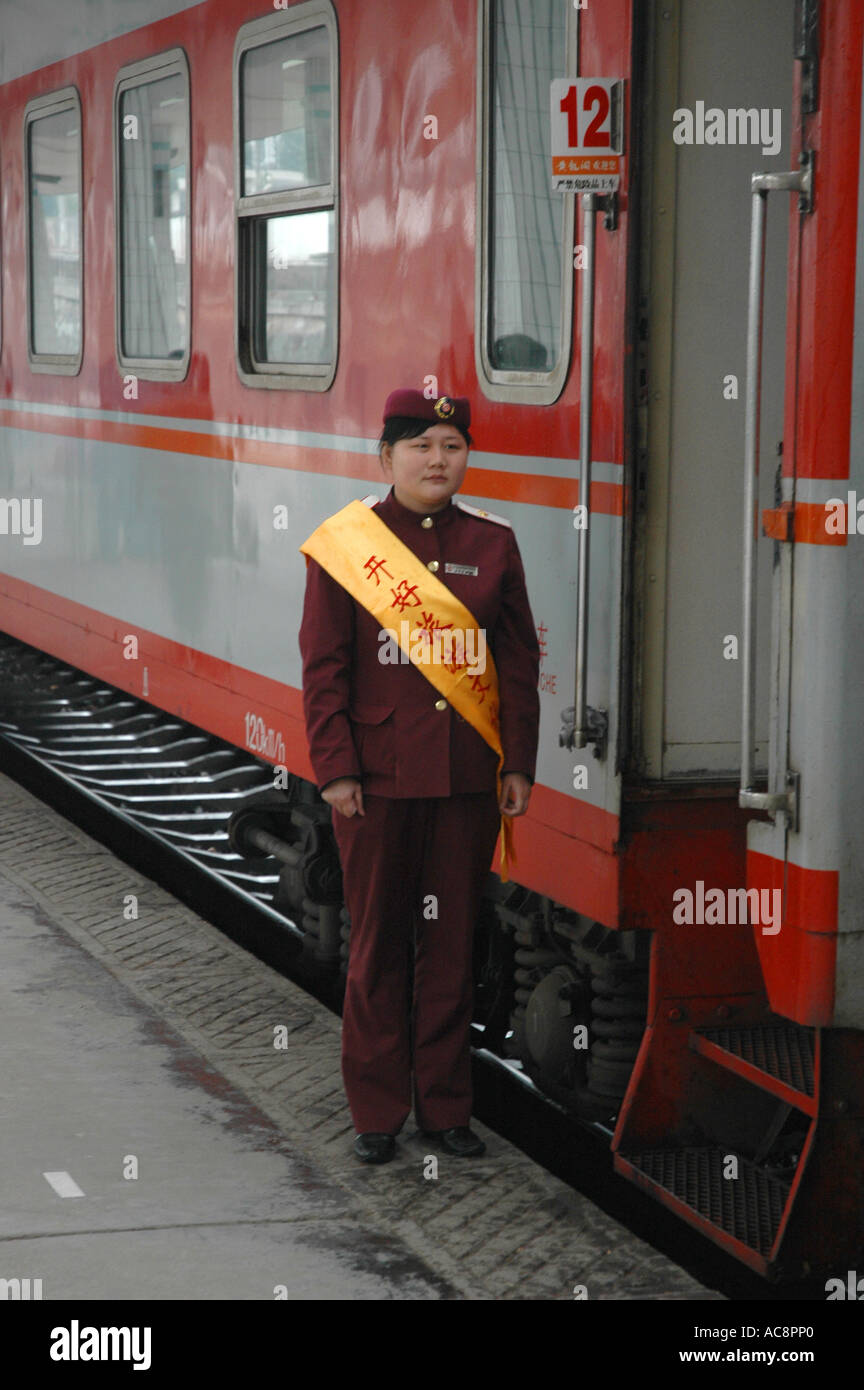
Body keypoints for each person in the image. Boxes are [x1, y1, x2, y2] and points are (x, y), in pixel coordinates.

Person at [298, 389, 540, 1163]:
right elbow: (324, 667)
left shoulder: (494, 543)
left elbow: (516, 666)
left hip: (467, 782)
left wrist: (518, 764)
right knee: (376, 948)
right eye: (422, 446)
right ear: (387, 457)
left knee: (450, 944)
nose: (439, 461)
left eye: (452, 446)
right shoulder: (350, 545)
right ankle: (375, 1114)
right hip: (376, 781)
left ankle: (445, 1108)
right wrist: (335, 771)